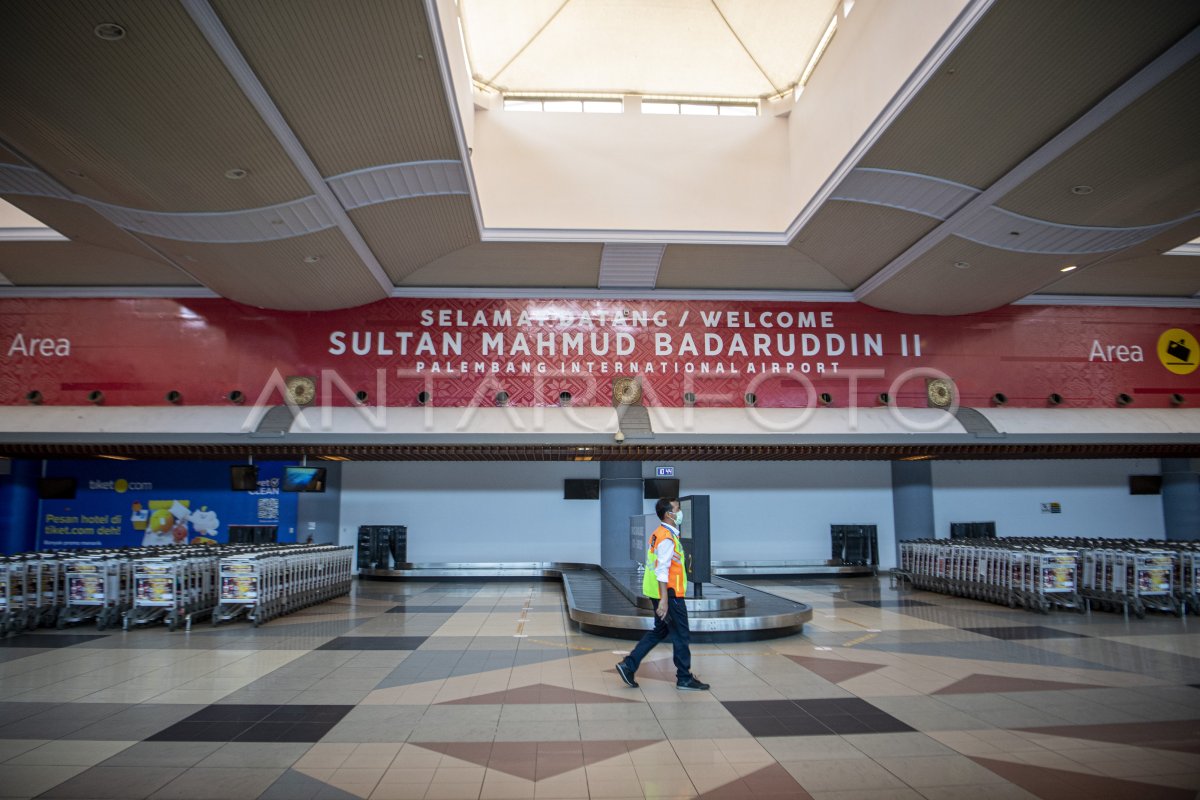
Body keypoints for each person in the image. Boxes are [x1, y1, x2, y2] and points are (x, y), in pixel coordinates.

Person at [616, 497, 710, 691]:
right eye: (677, 509)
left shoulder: (659, 533)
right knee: (681, 634)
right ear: (669, 514)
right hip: (670, 594)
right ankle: (684, 678)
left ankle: (629, 665)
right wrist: (664, 601)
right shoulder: (666, 538)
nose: (680, 512)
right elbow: (662, 570)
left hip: (659, 593)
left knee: (660, 630)